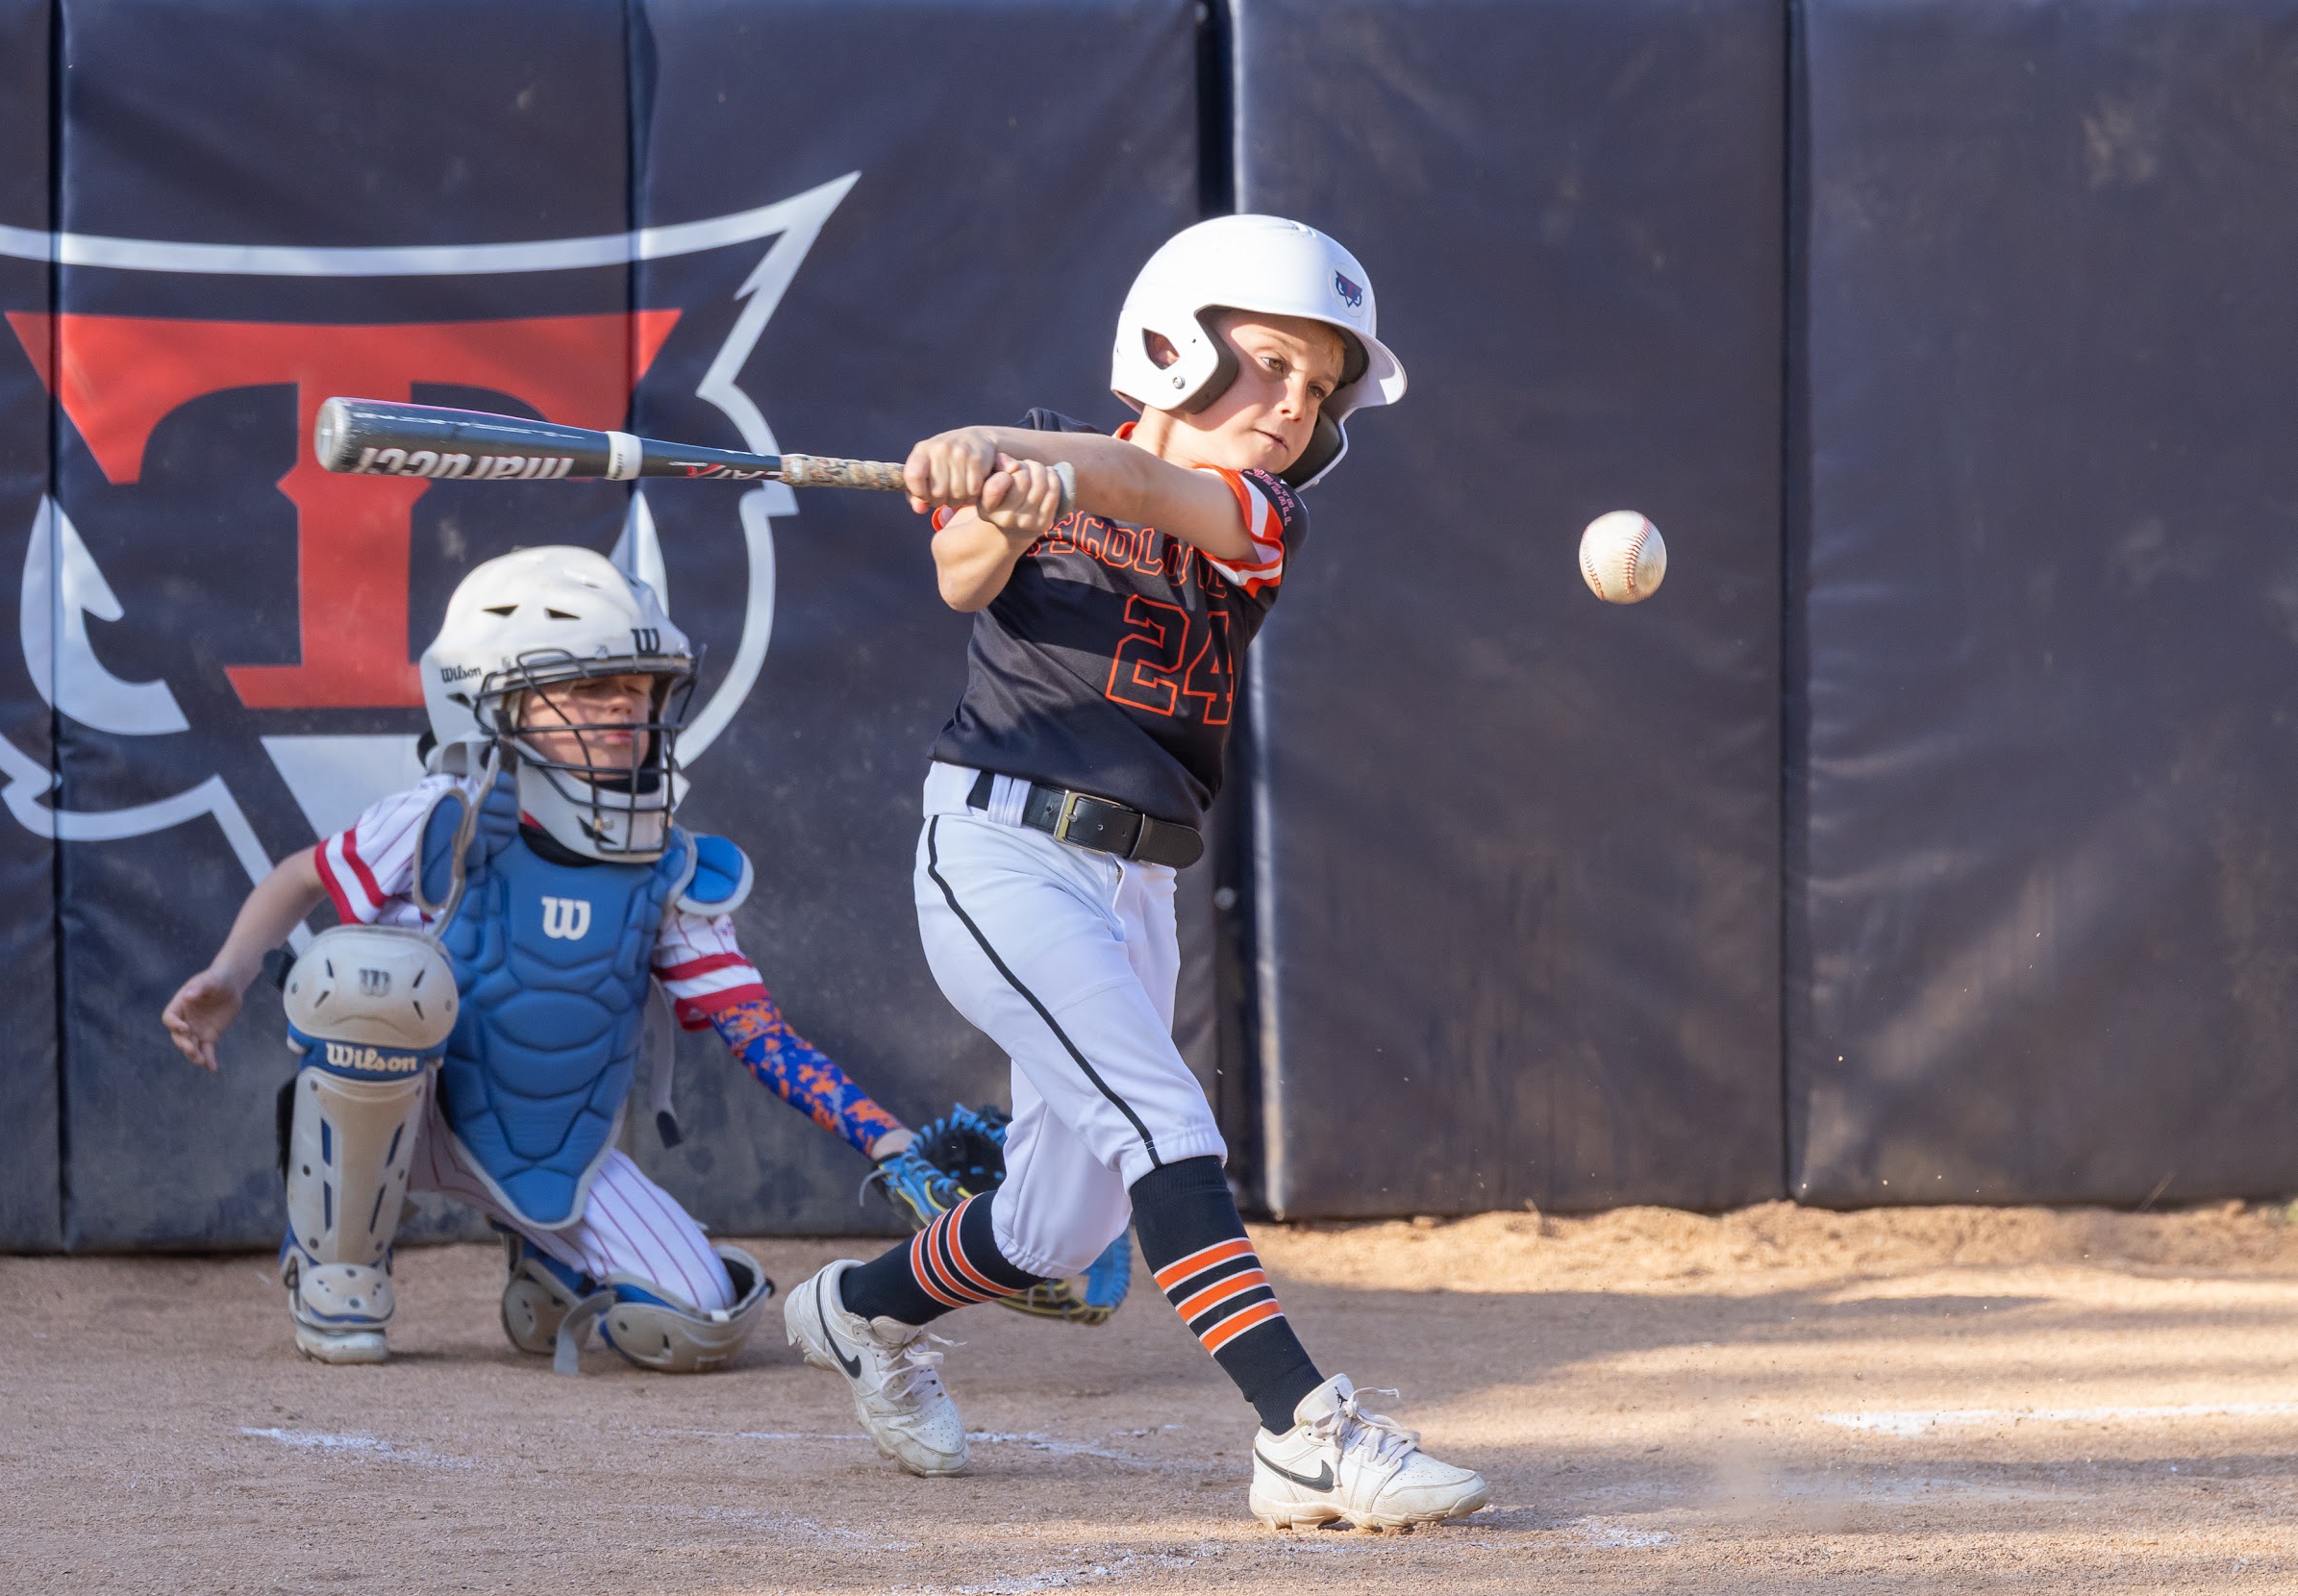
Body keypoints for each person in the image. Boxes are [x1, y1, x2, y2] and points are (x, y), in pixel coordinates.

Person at [782, 215, 1490, 1531]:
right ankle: (1302, 1433)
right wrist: (988, 500)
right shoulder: (1050, 469)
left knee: (1058, 1225)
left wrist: (1016, 453)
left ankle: (857, 1314)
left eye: (1315, 390)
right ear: (1177, 346)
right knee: (1163, 1122)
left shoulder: (1253, 515)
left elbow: (1141, 490)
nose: (1290, 408)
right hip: (1000, 849)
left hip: (1135, 883)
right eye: (1269, 365)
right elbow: (958, 576)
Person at [162, 545, 915, 1370]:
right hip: (411, 1113)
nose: (626, 710)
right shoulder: (443, 816)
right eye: (592, 687)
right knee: (364, 976)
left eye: (640, 688)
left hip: (552, 1138)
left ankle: (548, 1256)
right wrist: (230, 975)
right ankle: (340, 1265)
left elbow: (758, 1034)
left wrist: (885, 1139)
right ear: (488, 703)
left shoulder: (671, 864)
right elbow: (302, 876)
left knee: (698, 1325)